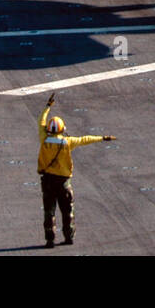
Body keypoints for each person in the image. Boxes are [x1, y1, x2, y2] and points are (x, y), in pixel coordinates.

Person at [37, 92, 115, 248]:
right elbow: (84, 139)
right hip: (63, 181)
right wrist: (102, 137)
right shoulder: (67, 142)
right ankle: (69, 237)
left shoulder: (44, 138)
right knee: (67, 211)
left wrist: (48, 106)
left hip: (48, 181)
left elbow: (41, 121)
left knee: (49, 212)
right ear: (62, 129)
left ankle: (49, 240)